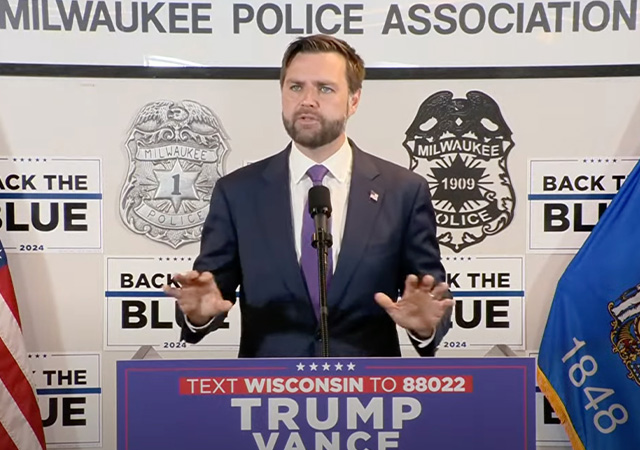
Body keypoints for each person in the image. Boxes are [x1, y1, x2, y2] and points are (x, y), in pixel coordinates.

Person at [164, 34, 454, 358]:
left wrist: (426, 326)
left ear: (354, 100)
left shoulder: (403, 191)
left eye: (325, 88)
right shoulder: (237, 192)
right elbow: (209, 292)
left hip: (369, 385)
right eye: (295, 87)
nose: (307, 100)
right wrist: (198, 315)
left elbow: (432, 298)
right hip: (268, 386)